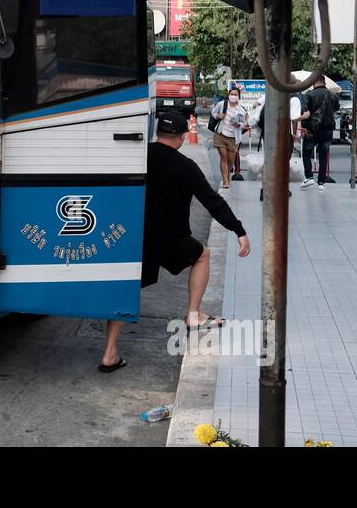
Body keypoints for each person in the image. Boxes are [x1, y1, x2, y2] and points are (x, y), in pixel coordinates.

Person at [99, 109, 251, 372]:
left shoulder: (138, 157)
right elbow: (213, 203)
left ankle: (109, 353)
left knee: (126, 290)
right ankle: (194, 314)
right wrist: (239, 230)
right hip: (172, 239)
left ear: (157, 132)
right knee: (202, 254)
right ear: (182, 137)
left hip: (136, 238)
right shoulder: (186, 167)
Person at [298, 78, 339, 189]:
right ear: (324, 83)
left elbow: (305, 111)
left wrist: (304, 127)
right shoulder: (332, 95)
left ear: (314, 83)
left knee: (307, 152)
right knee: (323, 155)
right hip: (328, 129)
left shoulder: (309, 94)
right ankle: (321, 182)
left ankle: (309, 177)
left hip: (312, 129)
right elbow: (336, 108)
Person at [210, 85, 250, 189]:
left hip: (233, 137)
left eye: (235, 94)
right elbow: (213, 113)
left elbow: (243, 124)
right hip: (220, 134)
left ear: (239, 97)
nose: (233, 96)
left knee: (230, 160)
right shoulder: (222, 104)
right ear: (228, 95)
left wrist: (239, 125)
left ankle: (228, 176)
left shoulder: (241, 110)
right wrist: (218, 116)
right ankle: (225, 181)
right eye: (231, 94)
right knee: (223, 157)